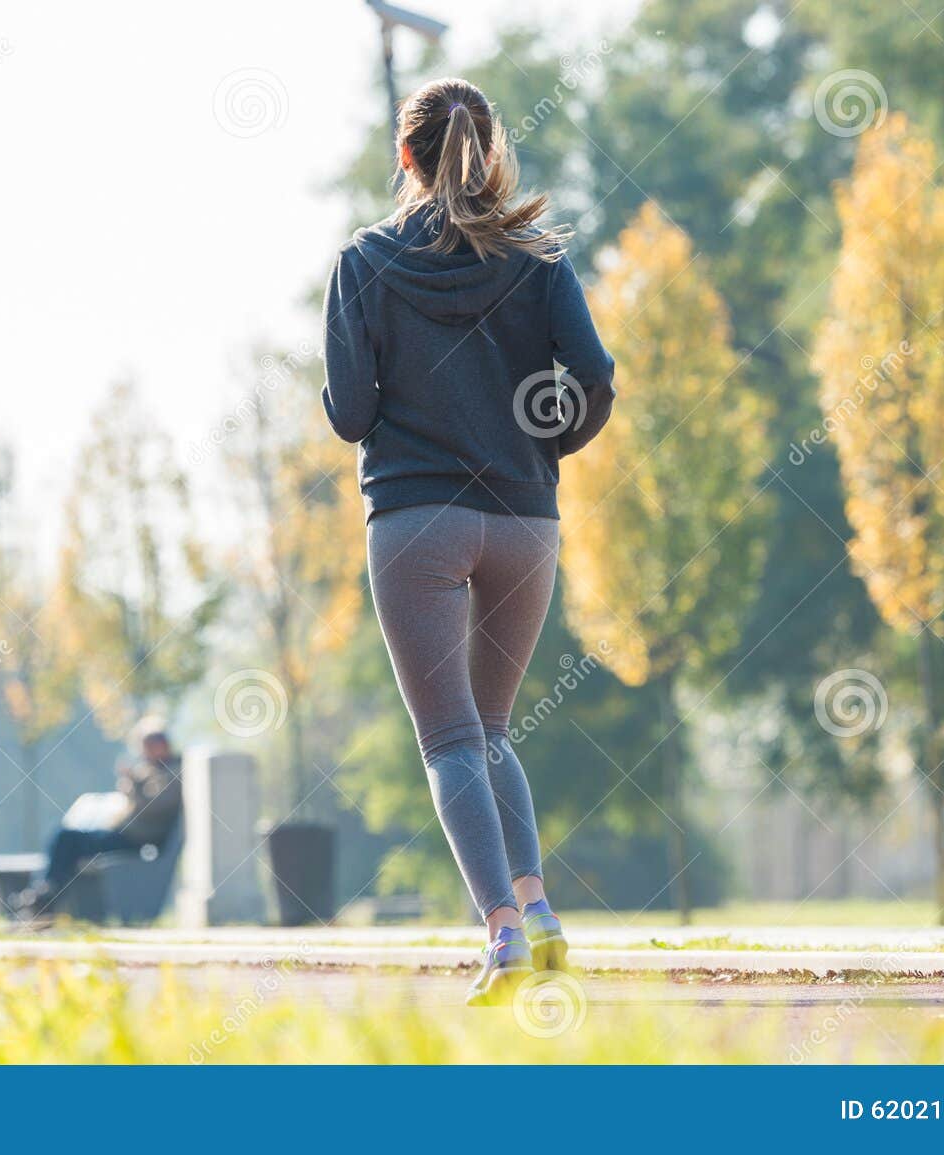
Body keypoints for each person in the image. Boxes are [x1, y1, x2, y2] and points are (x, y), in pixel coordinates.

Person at [321, 78, 615, 1005]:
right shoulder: (539, 260)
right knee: (491, 731)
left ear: (405, 156)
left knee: (451, 739)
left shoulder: (364, 261)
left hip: (418, 519)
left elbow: (351, 413)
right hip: (526, 521)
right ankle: (540, 911)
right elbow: (595, 378)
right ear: (490, 151)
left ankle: (501, 934)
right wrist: (542, 446)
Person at [24, 716, 183, 916]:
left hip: (135, 840)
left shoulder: (174, 772)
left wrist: (132, 782)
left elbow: (151, 806)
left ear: (162, 744)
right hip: (124, 834)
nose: (146, 752)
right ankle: (46, 895)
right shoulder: (152, 770)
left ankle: (46, 898)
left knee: (66, 839)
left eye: (150, 745)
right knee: (65, 840)